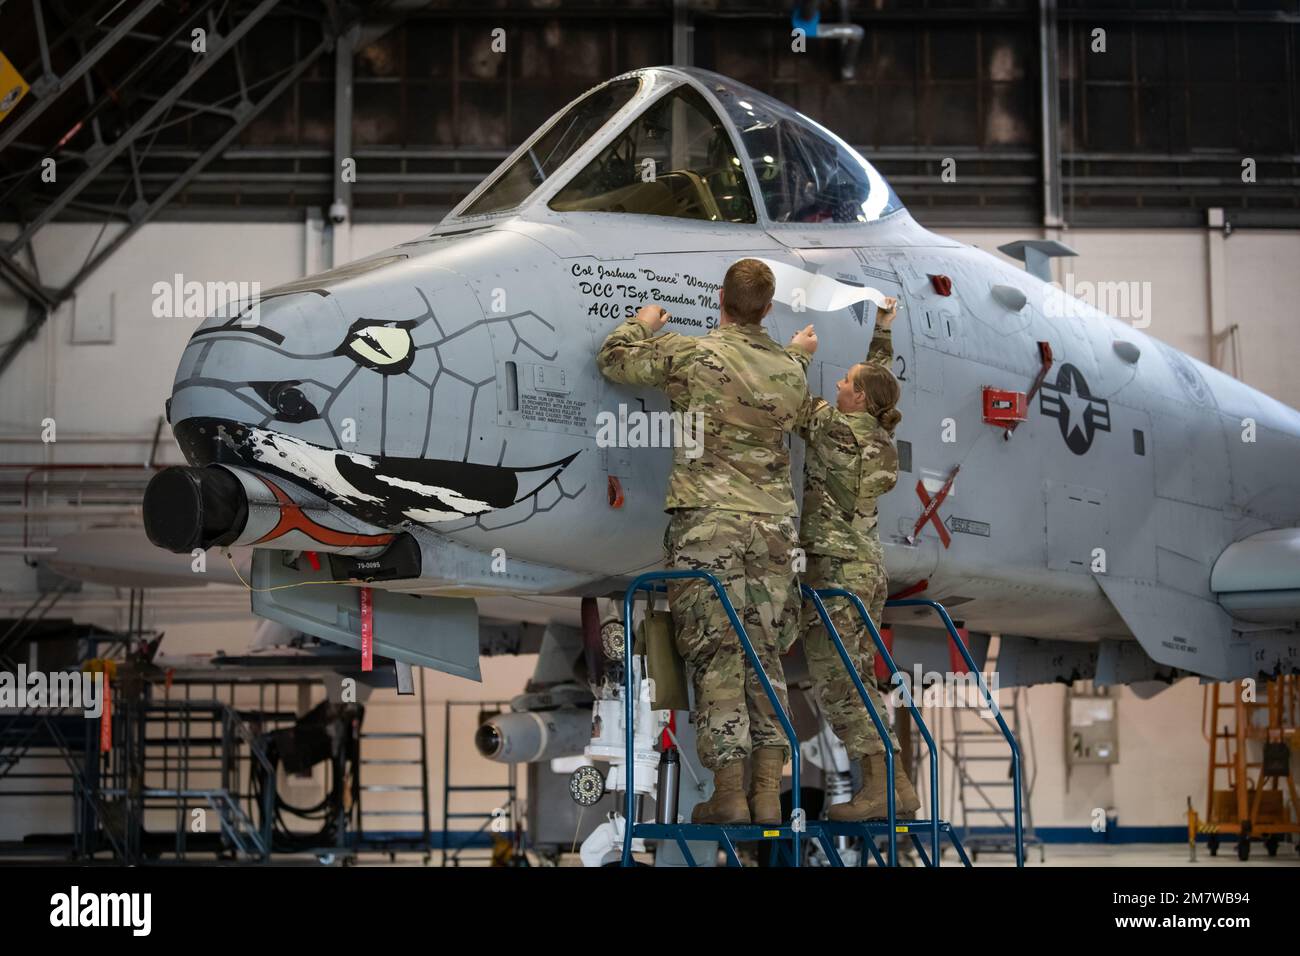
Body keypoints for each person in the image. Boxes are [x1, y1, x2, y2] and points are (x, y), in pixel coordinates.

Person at [596, 258, 816, 825]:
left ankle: (728, 796)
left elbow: (614, 361)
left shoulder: (693, 355)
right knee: (763, 656)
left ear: (720, 298)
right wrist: (798, 352)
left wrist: (642, 323)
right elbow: (789, 367)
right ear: (768, 308)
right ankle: (768, 792)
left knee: (719, 657)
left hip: (709, 528)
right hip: (773, 532)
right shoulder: (793, 371)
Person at [789, 297, 922, 821]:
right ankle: (898, 787)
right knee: (858, 675)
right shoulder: (879, 435)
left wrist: (798, 354)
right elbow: (880, 379)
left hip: (836, 572)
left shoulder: (832, 430)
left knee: (840, 681)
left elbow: (789, 397)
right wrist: (882, 329)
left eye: (845, 381)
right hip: (867, 570)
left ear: (858, 397)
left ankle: (880, 786)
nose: (838, 384)